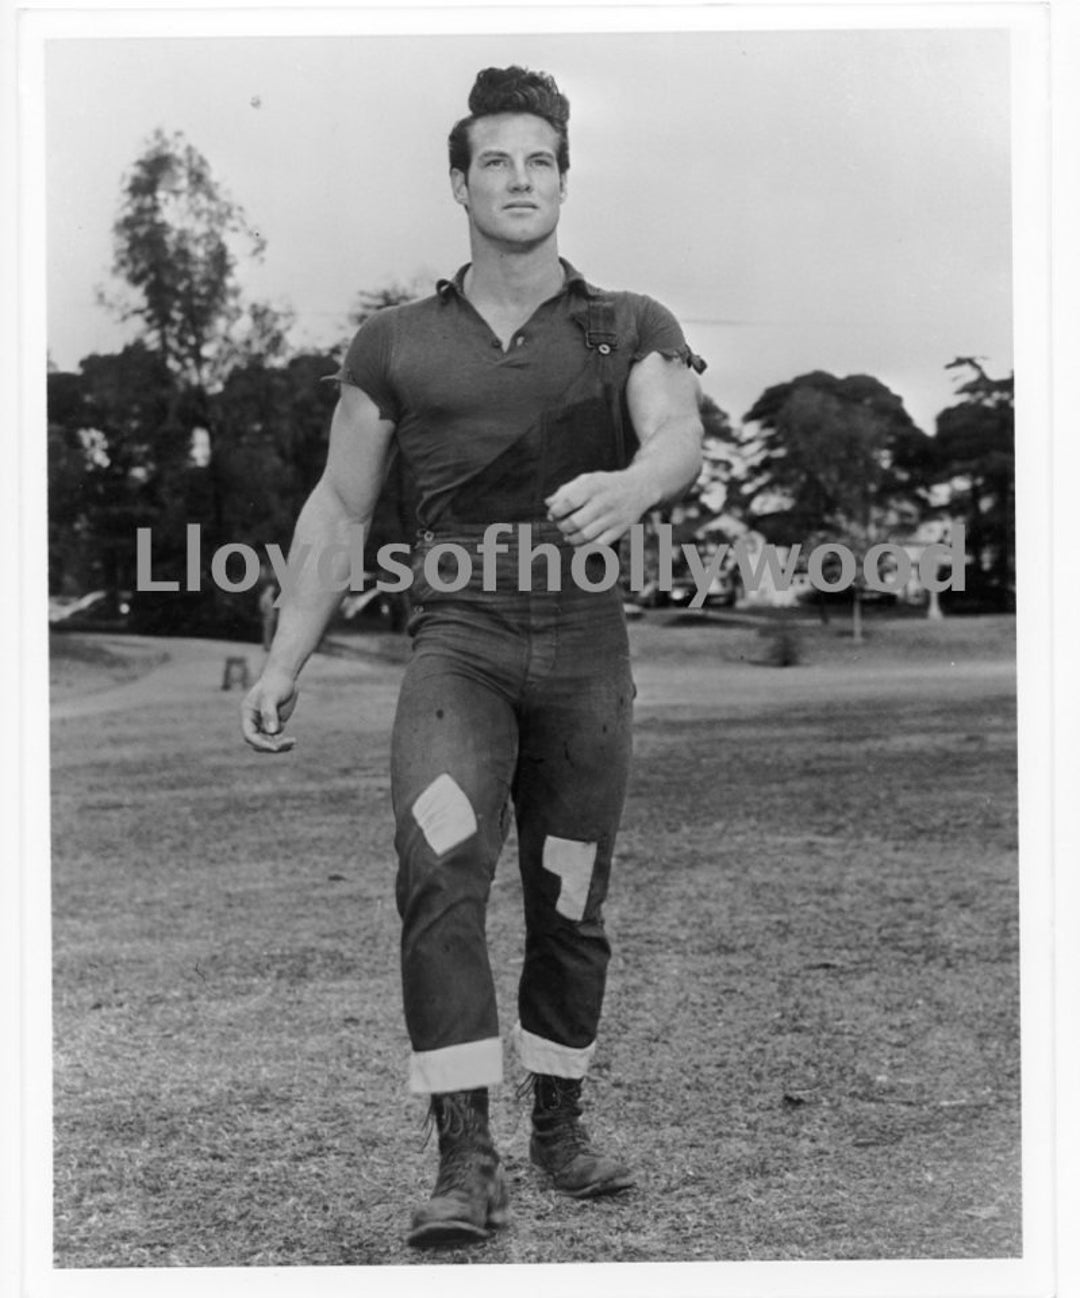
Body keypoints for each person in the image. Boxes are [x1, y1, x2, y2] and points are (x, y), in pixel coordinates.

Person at [241, 65, 705, 1249]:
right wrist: (284, 656)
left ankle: (558, 1122)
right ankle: (465, 1158)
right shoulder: (395, 342)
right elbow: (338, 513)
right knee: (437, 869)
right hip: (460, 644)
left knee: (568, 893)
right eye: (495, 159)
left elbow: (679, 436)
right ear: (460, 180)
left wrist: (636, 483)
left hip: (587, 653)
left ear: (563, 178)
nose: (518, 178)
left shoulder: (627, 323)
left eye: (539, 159)